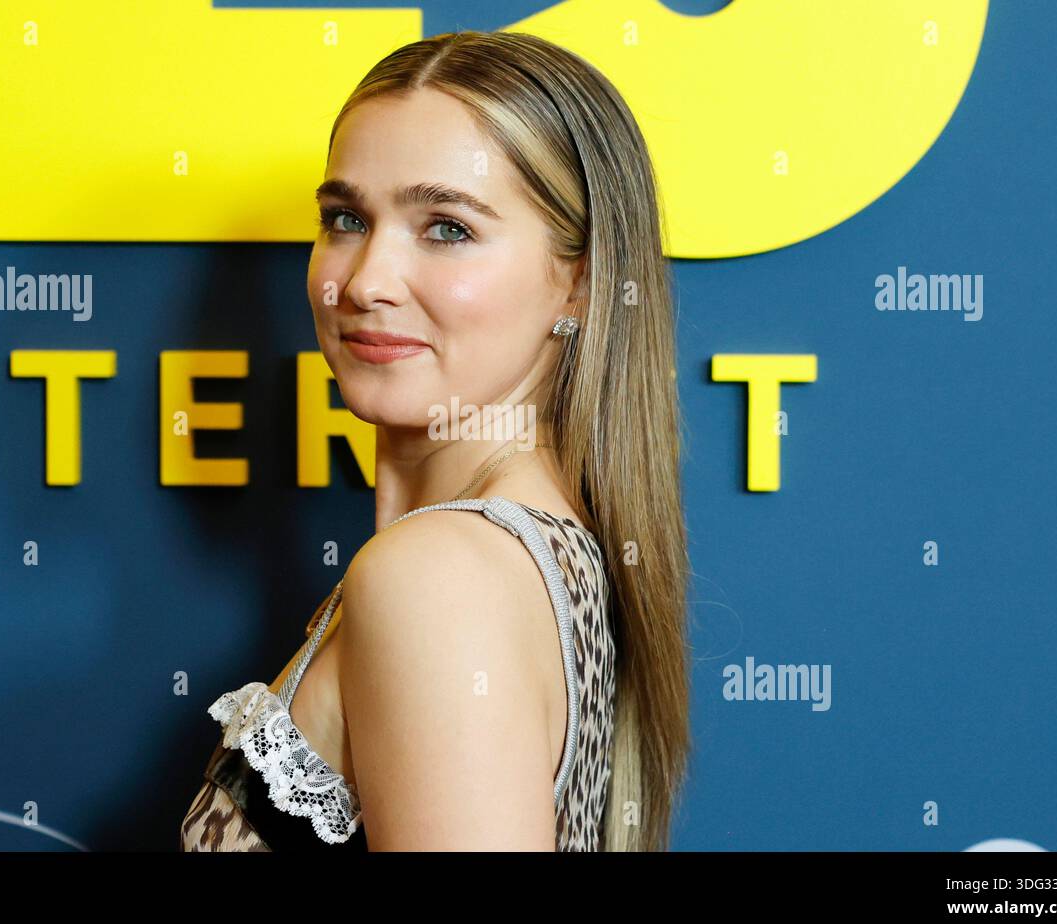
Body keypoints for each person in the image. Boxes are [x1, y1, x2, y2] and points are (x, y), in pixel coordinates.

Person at [181, 29, 691, 852]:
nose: (366, 282)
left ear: (584, 282)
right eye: (346, 218)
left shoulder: (438, 577)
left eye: (446, 228)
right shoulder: (529, 550)